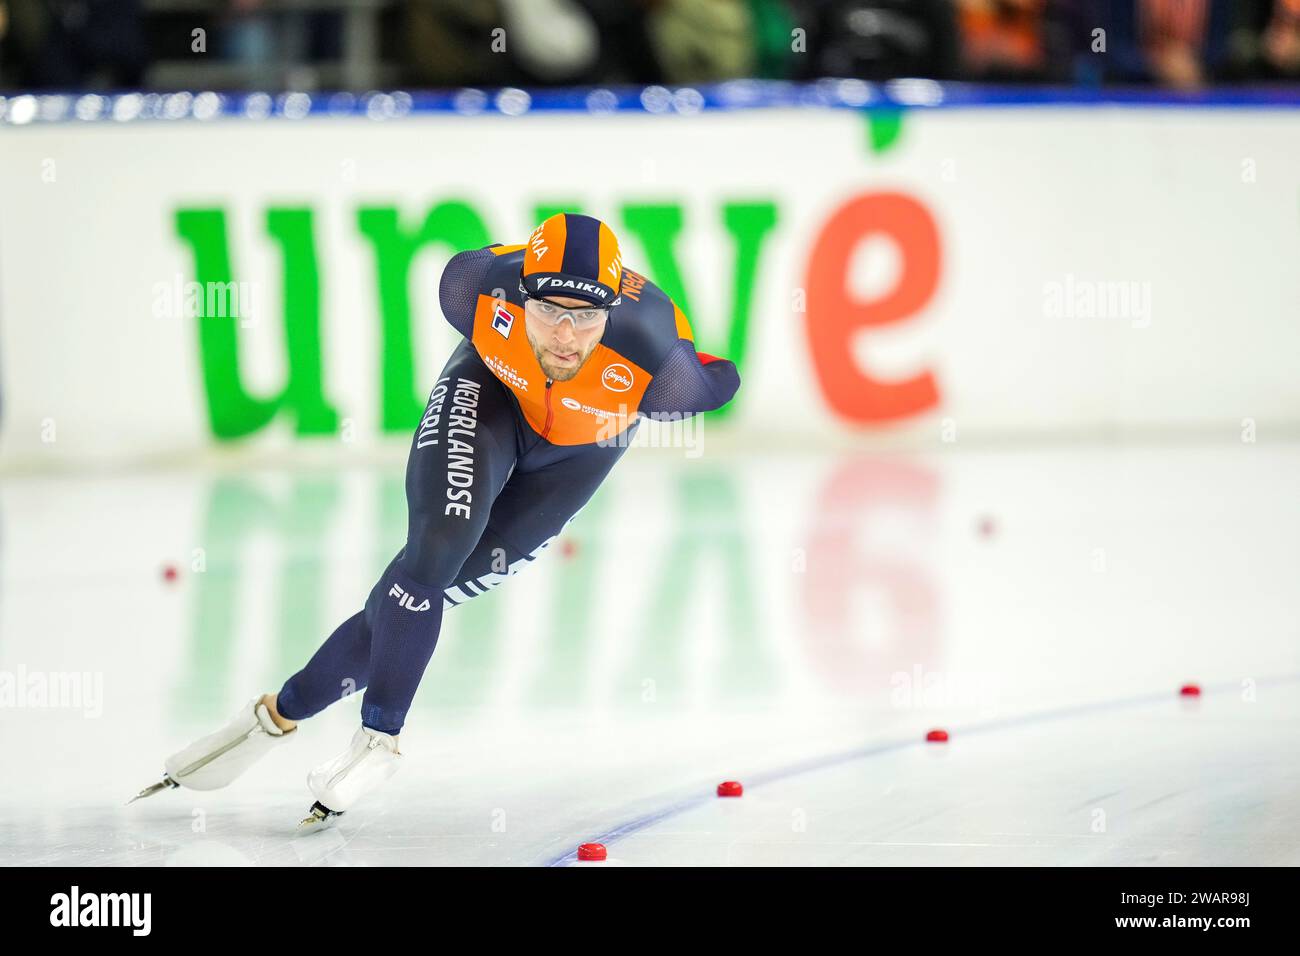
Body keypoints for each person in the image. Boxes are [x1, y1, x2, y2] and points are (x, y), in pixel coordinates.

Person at [133, 213, 741, 828]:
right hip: (488, 396)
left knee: (420, 598)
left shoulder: (664, 373)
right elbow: (490, 260)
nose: (566, 334)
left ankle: (272, 717)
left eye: (586, 316)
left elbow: (723, 375)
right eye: (548, 310)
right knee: (432, 552)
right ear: (519, 293)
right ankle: (379, 741)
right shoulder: (471, 286)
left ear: (611, 313)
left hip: (575, 458)